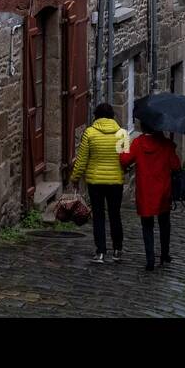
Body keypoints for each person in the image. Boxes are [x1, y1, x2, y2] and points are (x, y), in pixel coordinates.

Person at [70, 102, 128, 263]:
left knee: (99, 216)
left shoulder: (90, 133)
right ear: (112, 116)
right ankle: (117, 250)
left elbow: (82, 160)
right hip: (115, 181)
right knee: (115, 215)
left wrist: (75, 178)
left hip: (95, 181)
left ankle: (101, 252)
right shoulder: (122, 134)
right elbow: (126, 159)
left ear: (96, 116)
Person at [118, 120, 180, 271]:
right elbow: (176, 166)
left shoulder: (138, 143)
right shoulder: (166, 144)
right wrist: (171, 148)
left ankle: (150, 259)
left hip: (145, 191)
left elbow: (124, 160)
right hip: (163, 190)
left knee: (147, 226)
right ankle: (164, 253)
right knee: (164, 224)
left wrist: (122, 140)